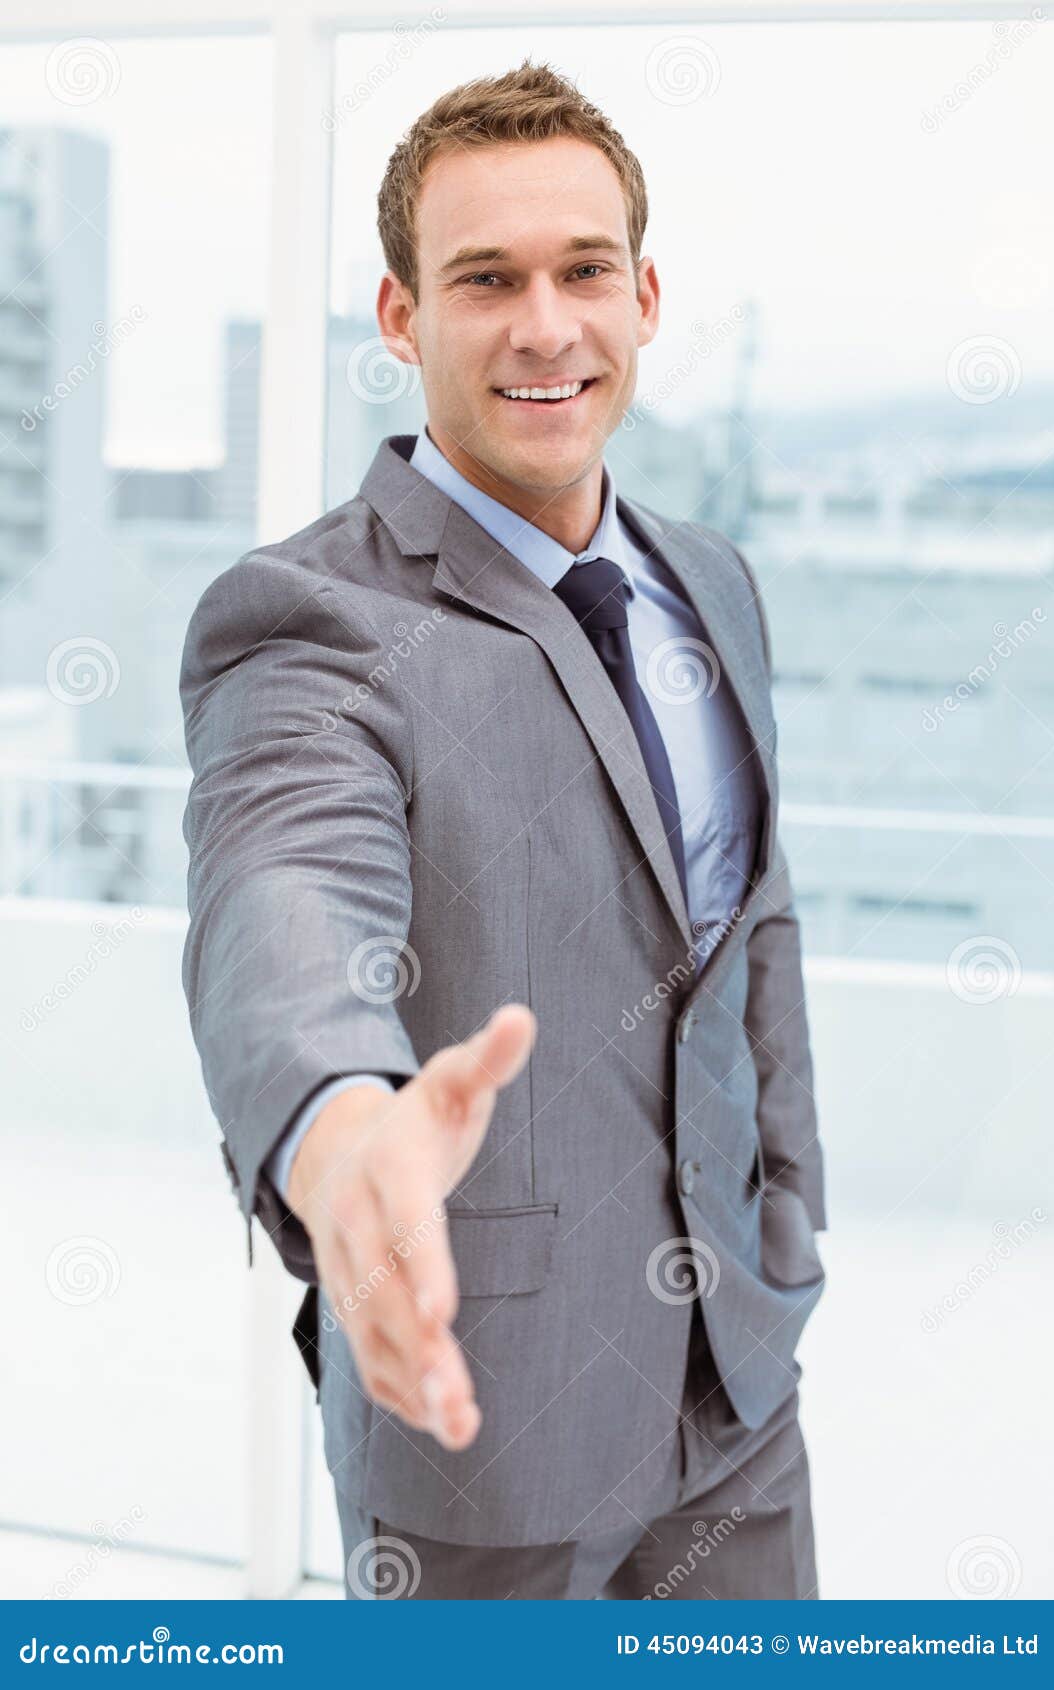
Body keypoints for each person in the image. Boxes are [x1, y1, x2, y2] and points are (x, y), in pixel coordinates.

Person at [180, 58, 827, 1601]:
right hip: (490, 1447)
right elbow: (285, 885)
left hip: (742, 1399)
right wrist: (339, 1131)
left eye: (583, 269)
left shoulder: (712, 581)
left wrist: (785, 1233)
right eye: (485, 279)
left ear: (647, 294)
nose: (546, 325)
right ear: (401, 318)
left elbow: (753, 932)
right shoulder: (312, 619)